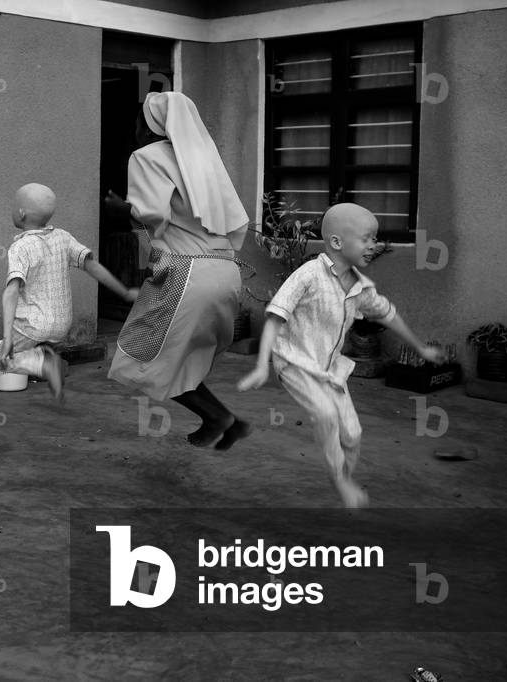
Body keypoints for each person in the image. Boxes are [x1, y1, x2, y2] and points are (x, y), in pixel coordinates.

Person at [237, 203, 447, 507]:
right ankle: (340, 481)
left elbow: (389, 316)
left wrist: (420, 347)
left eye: (375, 239)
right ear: (337, 242)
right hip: (295, 362)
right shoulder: (308, 275)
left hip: (330, 369)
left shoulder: (361, 288)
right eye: (367, 238)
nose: (374, 245)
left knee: (353, 434)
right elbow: (275, 317)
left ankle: (344, 477)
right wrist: (261, 366)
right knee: (325, 415)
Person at [103, 91, 252, 450]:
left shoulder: (146, 156)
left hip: (185, 275)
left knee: (138, 359)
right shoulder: (203, 159)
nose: (135, 129)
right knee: (175, 358)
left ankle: (218, 417)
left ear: (152, 126)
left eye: (139, 121)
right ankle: (220, 419)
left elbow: (149, 213)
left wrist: (120, 210)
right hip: (225, 272)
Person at [0, 183, 139, 401]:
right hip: (62, 323)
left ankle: (47, 364)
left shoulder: (20, 247)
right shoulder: (63, 238)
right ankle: (49, 364)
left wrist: (8, 337)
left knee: (6, 360)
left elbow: (11, 291)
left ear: (21, 213)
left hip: (32, 324)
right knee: (42, 350)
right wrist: (124, 292)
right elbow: (92, 265)